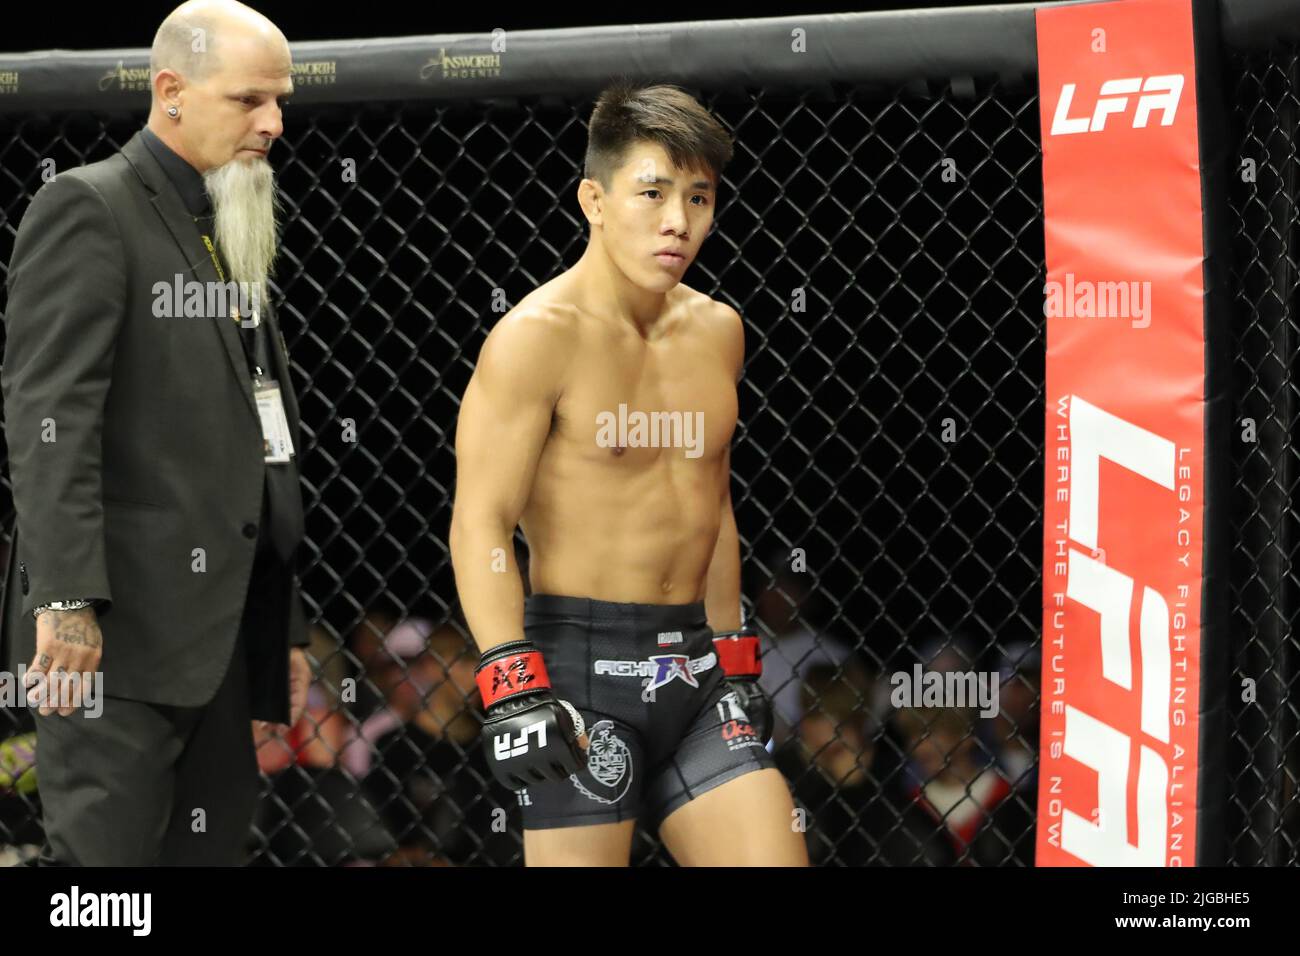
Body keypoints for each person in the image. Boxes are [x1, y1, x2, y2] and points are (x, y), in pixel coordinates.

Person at [450, 81, 807, 866]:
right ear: (595, 199)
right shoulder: (535, 337)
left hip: (698, 667)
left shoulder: (718, 331)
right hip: (578, 673)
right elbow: (481, 519)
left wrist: (736, 651)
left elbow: (711, 500)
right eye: (652, 192)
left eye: (699, 197)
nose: (678, 221)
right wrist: (511, 680)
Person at [0, 0, 309, 865]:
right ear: (171, 91)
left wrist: (282, 625)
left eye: (279, 102)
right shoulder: (89, 206)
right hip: (115, 645)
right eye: (249, 100)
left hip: (217, 641)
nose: (274, 123)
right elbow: (49, 417)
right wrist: (65, 601)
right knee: (104, 892)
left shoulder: (225, 221)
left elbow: (260, 441)